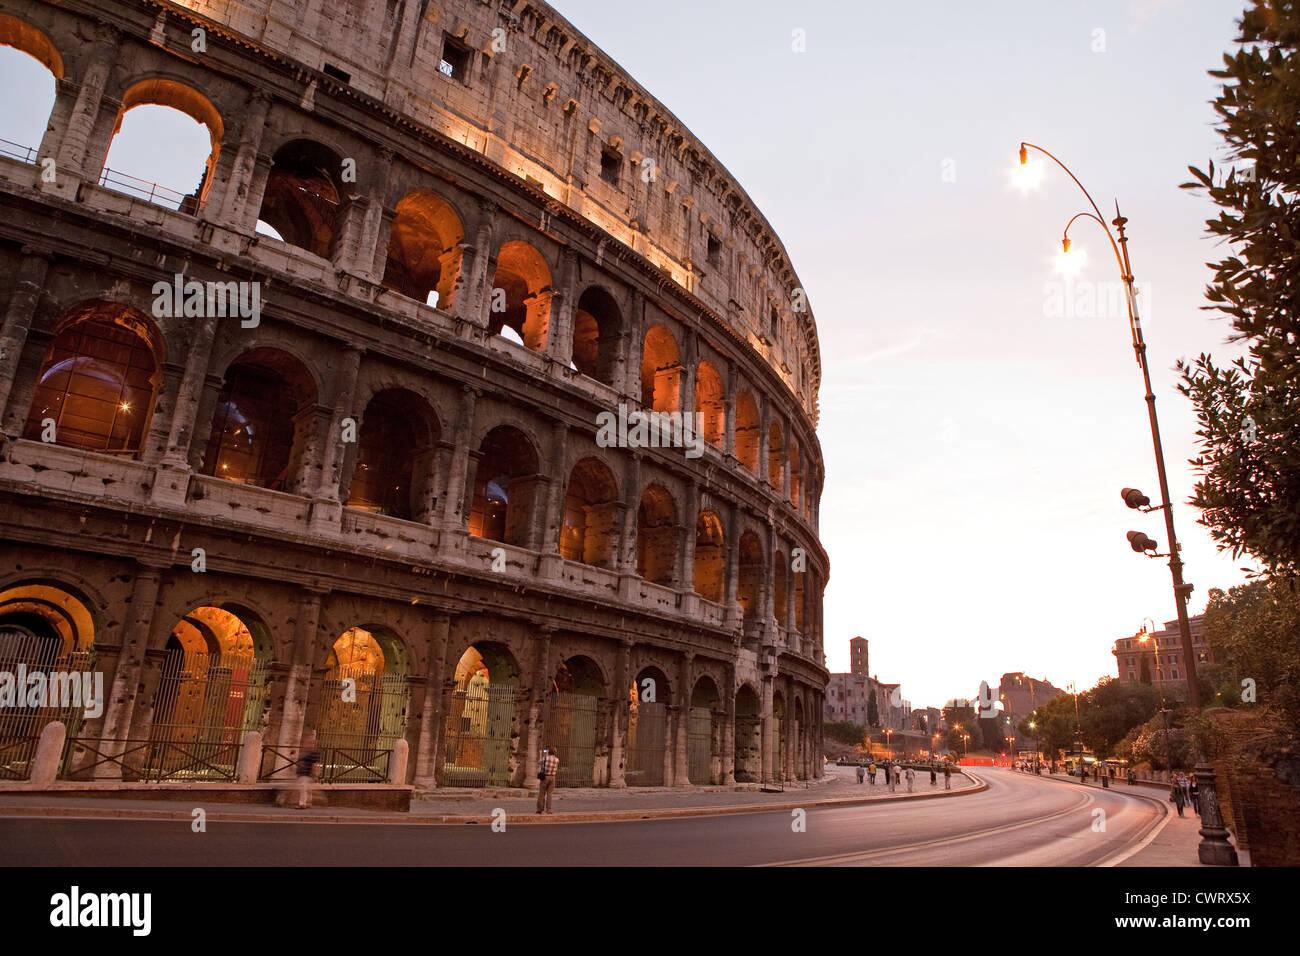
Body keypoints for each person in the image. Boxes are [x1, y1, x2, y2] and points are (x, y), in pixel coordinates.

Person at [294, 732, 320, 810]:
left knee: (303, 789)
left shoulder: (313, 753)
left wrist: (315, 775)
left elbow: (315, 765)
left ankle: (302, 804)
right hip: (304, 774)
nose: (306, 744)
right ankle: (308, 802)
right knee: (308, 789)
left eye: (308, 743)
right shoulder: (307, 752)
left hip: (306, 774)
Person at [536, 745, 560, 814]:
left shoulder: (545, 758)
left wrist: (545, 754)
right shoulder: (557, 760)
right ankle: (549, 810)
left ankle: (539, 809)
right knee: (550, 794)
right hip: (552, 777)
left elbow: (538, 762)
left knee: (542, 794)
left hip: (545, 777)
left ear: (549, 752)